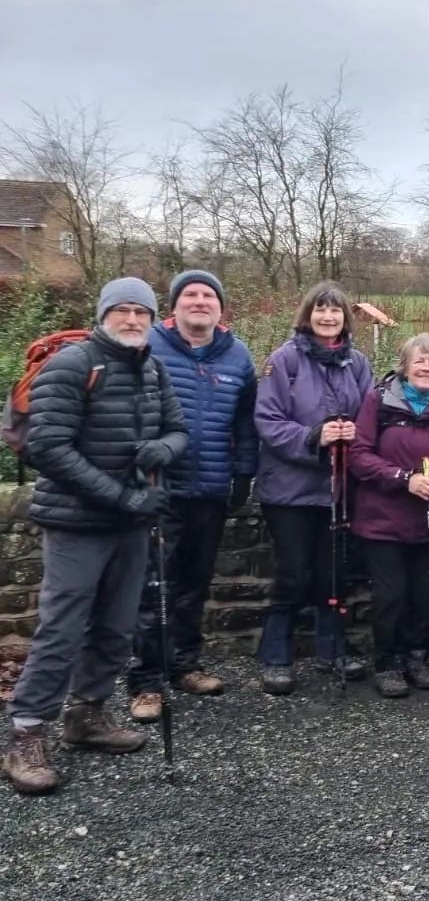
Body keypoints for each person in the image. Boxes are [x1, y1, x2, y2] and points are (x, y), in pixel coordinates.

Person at [4, 278, 186, 795]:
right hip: (76, 525)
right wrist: (124, 497)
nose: (132, 320)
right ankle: (26, 733)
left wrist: (164, 452)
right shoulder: (72, 366)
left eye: (141, 312)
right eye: (122, 311)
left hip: (131, 524)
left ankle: (87, 715)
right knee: (62, 628)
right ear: (103, 315)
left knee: (117, 625)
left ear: (153, 319)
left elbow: (178, 429)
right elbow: (48, 449)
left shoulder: (152, 368)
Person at [125, 270, 258, 723]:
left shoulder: (238, 356)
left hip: (211, 486)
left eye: (208, 296)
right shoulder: (148, 346)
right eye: (190, 295)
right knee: (152, 586)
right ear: (174, 306)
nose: (199, 301)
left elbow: (244, 422)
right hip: (159, 486)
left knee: (194, 583)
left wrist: (244, 473)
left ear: (220, 309)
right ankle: (145, 680)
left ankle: (185, 663)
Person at [253, 282, 374, 695]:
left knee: (332, 572)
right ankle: (275, 655)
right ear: (307, 315)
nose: (328, 317)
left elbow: (369, 415)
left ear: (345, 317)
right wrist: (314, 437)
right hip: (289, 488)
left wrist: (354, 432)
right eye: (320, 310)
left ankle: (332, 648)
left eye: (335, 311)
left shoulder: (356, 363)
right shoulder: (283, 360)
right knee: (292, 572)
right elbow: (268, 421)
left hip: (339, 487)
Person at [349, 333, 429, 698]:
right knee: (391, 595)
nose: (426, 367)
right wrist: (404, 479)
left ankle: (417, 658)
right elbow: (359, 454)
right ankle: (387, 662)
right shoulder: (379, 401)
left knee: (427, 593)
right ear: (404, 366)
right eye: (419, 361)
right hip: (382, 519)